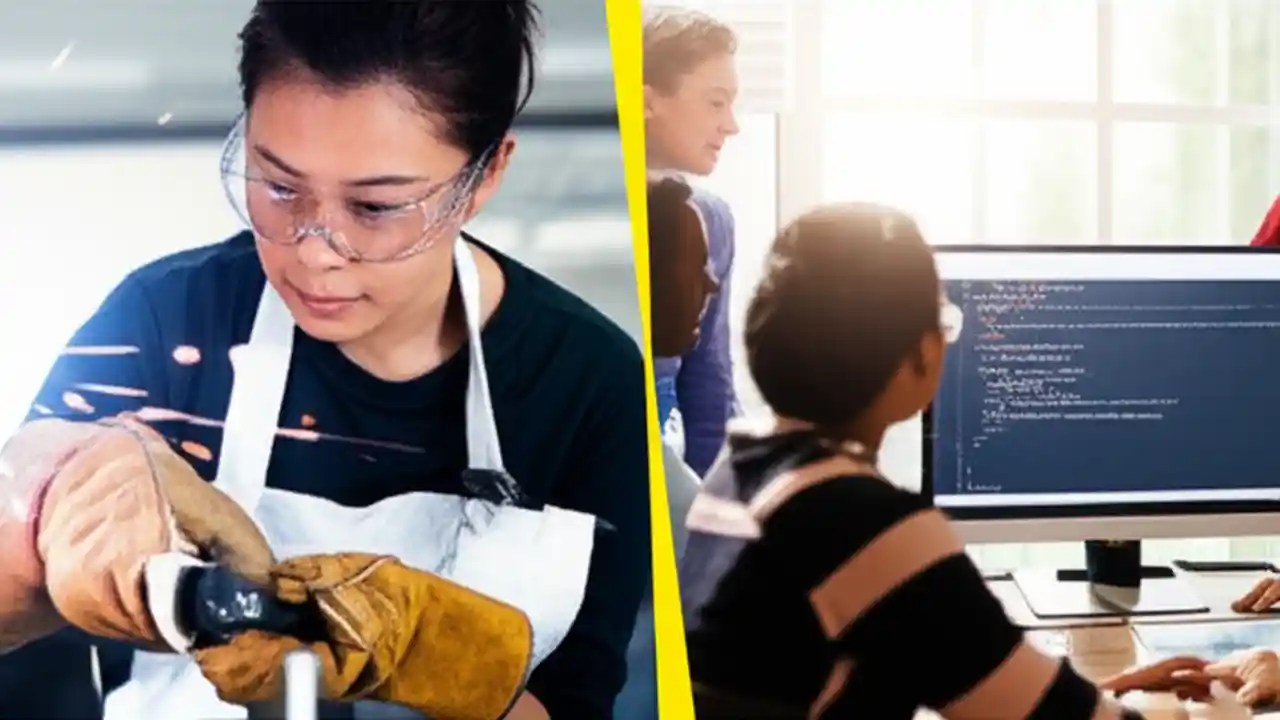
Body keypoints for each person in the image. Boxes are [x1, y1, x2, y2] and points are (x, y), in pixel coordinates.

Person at [0, 2, 650, 718]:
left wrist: (424, 649)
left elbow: (577, 704)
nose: (313, 252)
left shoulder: (586, 380)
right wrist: (57, 513)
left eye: (375, 209)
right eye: (278, 186)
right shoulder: (162, 322)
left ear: (486, 174)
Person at [676, 202, 1214, 719]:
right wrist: (1215, 708)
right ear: (920, 350)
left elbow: (977, 691)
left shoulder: (737, 475)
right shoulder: (861, 521)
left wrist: (1093, 694)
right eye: (943, 320)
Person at [643, 5, 740, 477]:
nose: (731, 124)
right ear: (646, 100)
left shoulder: (710, 222)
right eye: (716, 102)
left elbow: (710, 389)